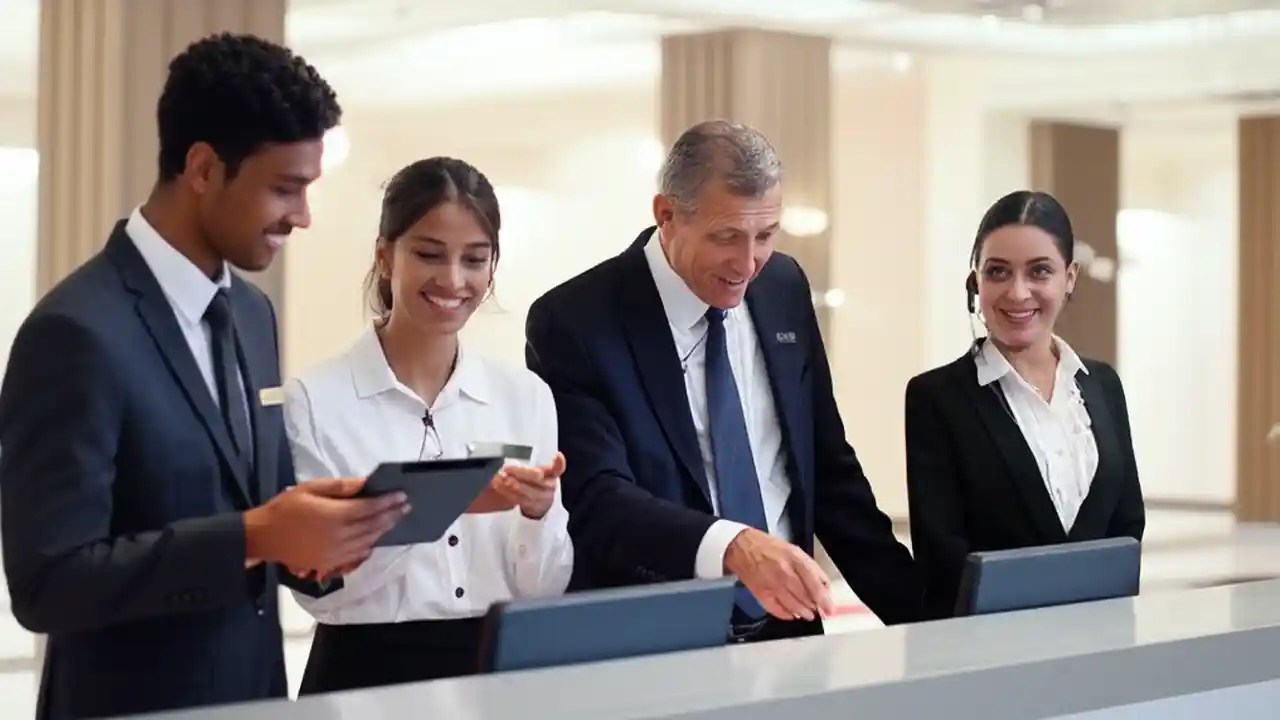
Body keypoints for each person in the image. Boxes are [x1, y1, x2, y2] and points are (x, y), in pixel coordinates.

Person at [0, 34, 409, 720]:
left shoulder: (252, 313)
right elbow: (48, 583)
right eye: (286, 188)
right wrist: (256, 535)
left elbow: (249, 508)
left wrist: (316, 533)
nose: (302, 217)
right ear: (202, 169)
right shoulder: (75, 332)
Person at [525, 119, 922, 642]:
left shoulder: (783, 286)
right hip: (654, 644)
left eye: (765, 236)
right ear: (666, 214)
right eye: (726, 237)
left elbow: (826, 471)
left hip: (787, 631)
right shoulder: (576, 320)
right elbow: (597, 498)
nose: (748, 262)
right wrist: (731, 545)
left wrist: (931, 621)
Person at [283, 157, 573, 694]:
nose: (453, 280)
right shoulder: (316, 400)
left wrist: (536, 514)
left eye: (475, 259)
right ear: (385, 256)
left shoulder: (525, 396)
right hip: (364, 676)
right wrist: (446, 500)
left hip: (498, 674)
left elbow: (545, 588)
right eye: (429, 254)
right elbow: (321, 592)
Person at [904, 190, 1144, 620]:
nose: (1018, 292)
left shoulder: (1103, 385)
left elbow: (1128, 526)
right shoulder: (936, 399)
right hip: (993, 651)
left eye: (1040, 271)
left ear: (1068, 278)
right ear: (975, 282)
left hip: (1103, 639)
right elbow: (943, 557)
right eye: (998, 271)